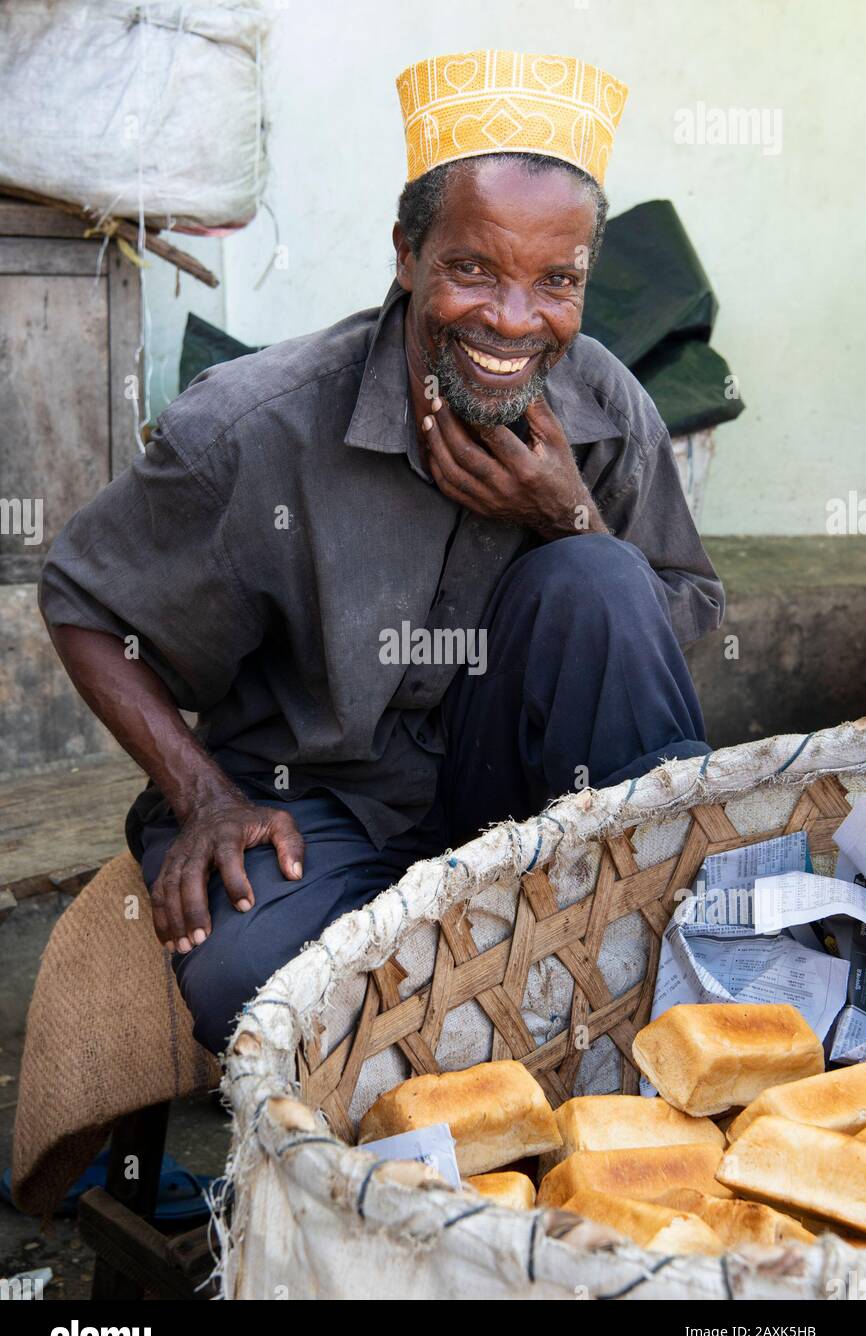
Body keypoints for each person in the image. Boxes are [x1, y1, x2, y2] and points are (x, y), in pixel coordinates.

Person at [39, 50, 722, 1055]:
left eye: (556, 281)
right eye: (473, 267)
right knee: (246, 980)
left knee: (597, 573)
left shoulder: (602, 404)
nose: (513, 319)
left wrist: (568, 513)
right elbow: (83, 601)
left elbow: (677, 617)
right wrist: (203, 797)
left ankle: (633, 939)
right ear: (406, 255)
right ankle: (513, 990)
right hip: (307, 797)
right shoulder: (253, 425)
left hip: (526, 793)